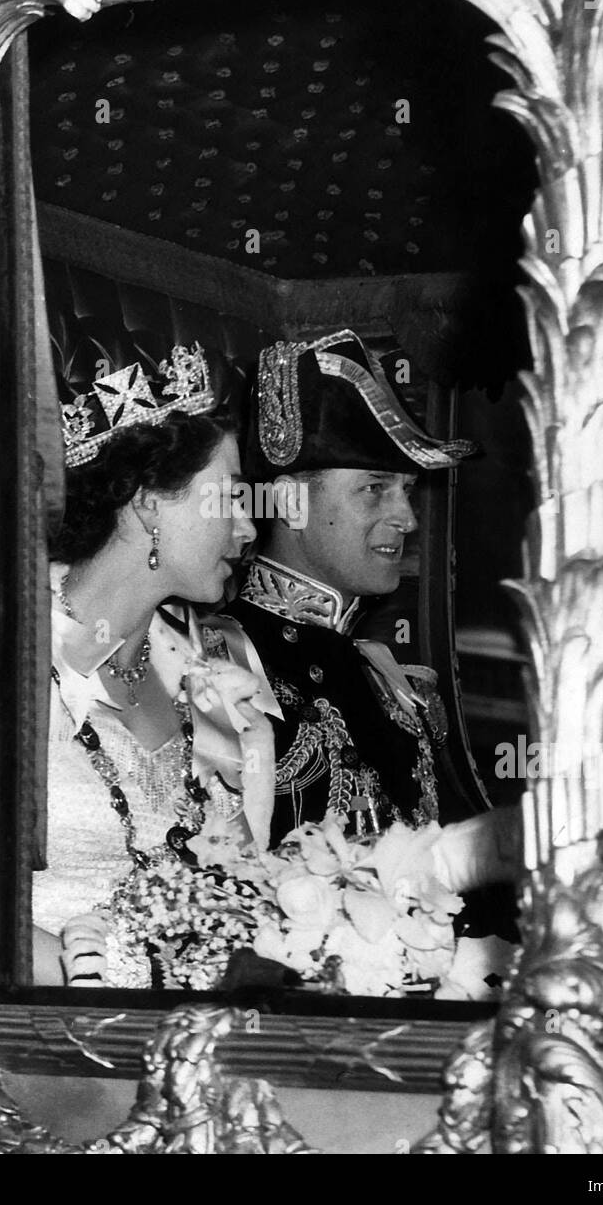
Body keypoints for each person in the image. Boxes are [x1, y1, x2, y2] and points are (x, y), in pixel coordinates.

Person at [225, 329, 521, 902]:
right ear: (289, 501)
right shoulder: (224, 658)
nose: (407, 518)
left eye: (406, 491)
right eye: (375, 489)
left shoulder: (386, 676)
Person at [32, 343, 279, 988]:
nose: (249, 528)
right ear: (147, 503)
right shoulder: (4, 656)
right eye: (226, 498)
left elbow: (244, 894)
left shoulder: (225, 667)